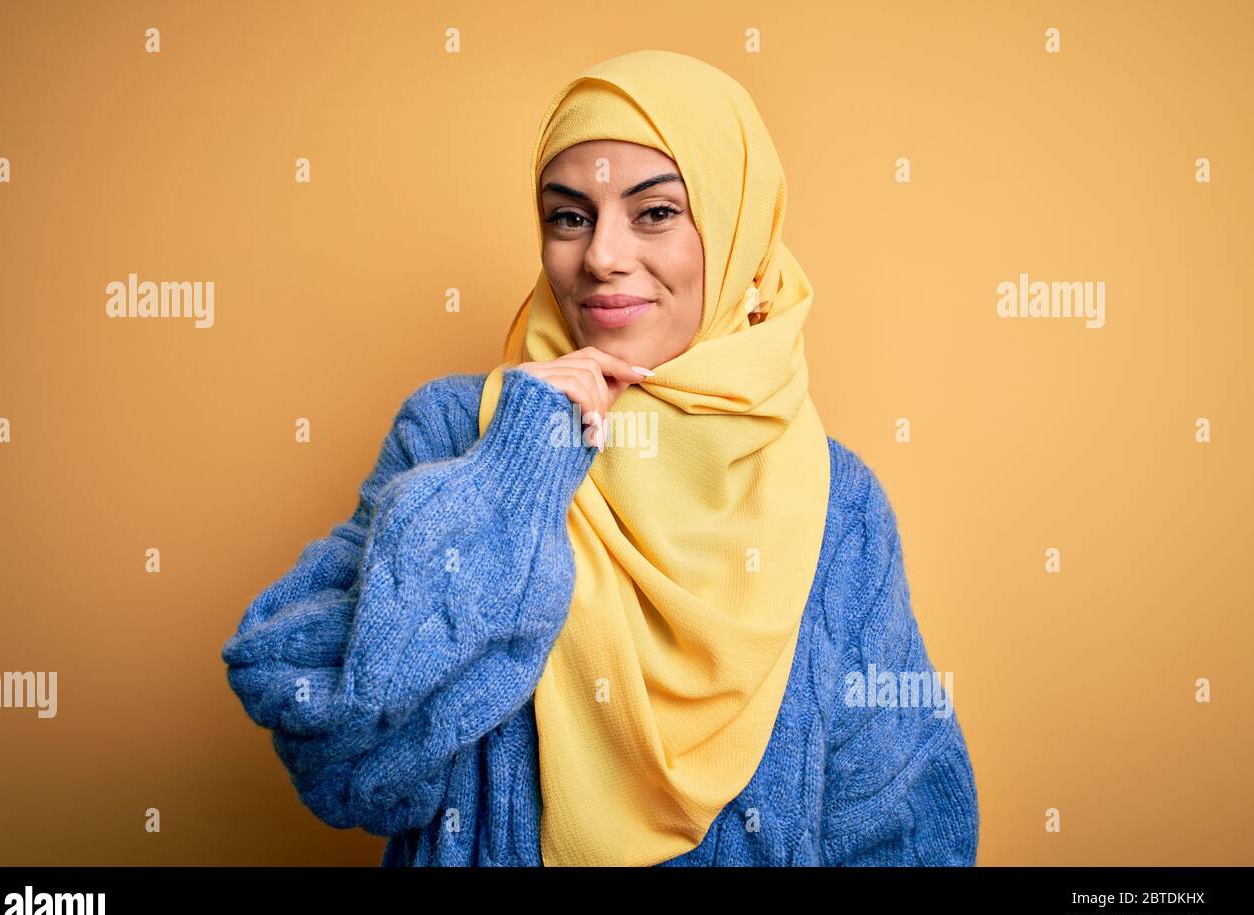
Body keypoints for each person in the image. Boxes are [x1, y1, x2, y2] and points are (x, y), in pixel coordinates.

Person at [221, 49, 979, 867]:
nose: (602, 257)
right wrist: (518, 462)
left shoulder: (837, 502)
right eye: (569, 216)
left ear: (735, 230)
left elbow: (900, 831)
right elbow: (343, 759)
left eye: (654, 213)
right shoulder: (456, 433)